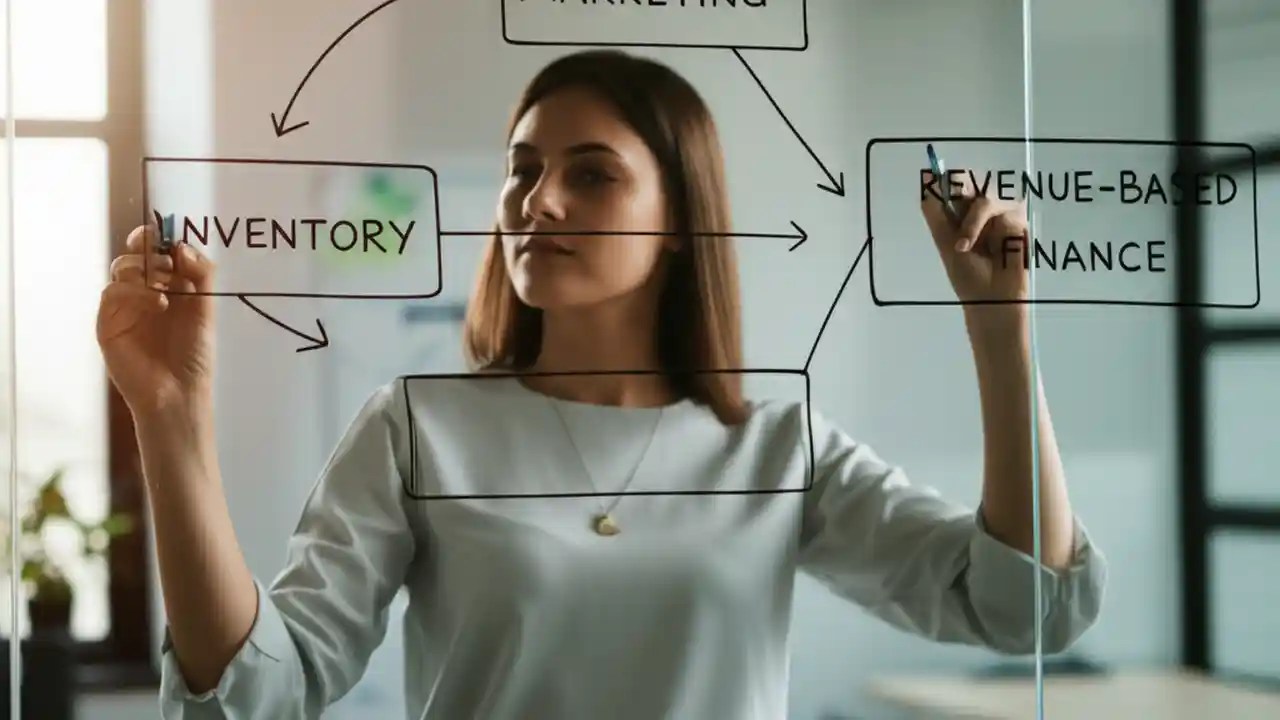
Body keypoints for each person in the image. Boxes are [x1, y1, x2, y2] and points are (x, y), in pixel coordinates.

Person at [97, 49, 1107, 720]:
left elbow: (1024, 612)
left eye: (590, 173)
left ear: (680, 219)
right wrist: (171, 419)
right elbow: (254, 696)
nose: (537, 200)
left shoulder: (778, 450)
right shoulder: (417, 433)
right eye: (521, 168)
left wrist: (997, 328)